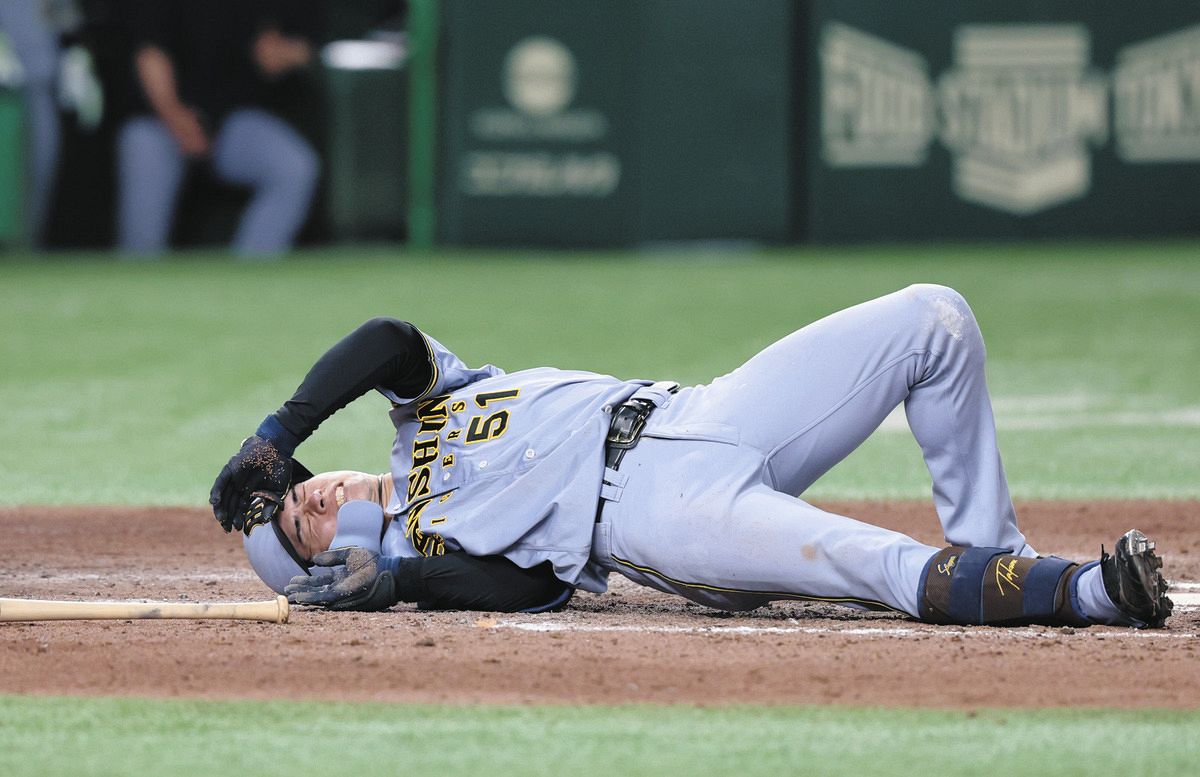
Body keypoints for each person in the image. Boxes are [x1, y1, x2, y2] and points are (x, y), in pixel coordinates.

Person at [210, 285, 1173, 627]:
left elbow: (384, 335)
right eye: (308, 522)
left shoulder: (423, 410)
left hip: (701, 411)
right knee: (869, 561)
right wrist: (400, 585)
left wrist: (272, 441)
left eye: (301, 490)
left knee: (935, 320)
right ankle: (1084, 593)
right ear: (338, 562)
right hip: (654, 519)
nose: (317, 493)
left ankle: (993, 552)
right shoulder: (435, 551)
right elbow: (520, 588)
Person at [116, 0, 320, 256]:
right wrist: (174, 115)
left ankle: (248, 278)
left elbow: (303, 46)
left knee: (294, 168)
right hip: (161, 120)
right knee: (143, 148)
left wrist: (288, 52)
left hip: (231, 122)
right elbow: (150, 50)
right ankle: (138, 281)